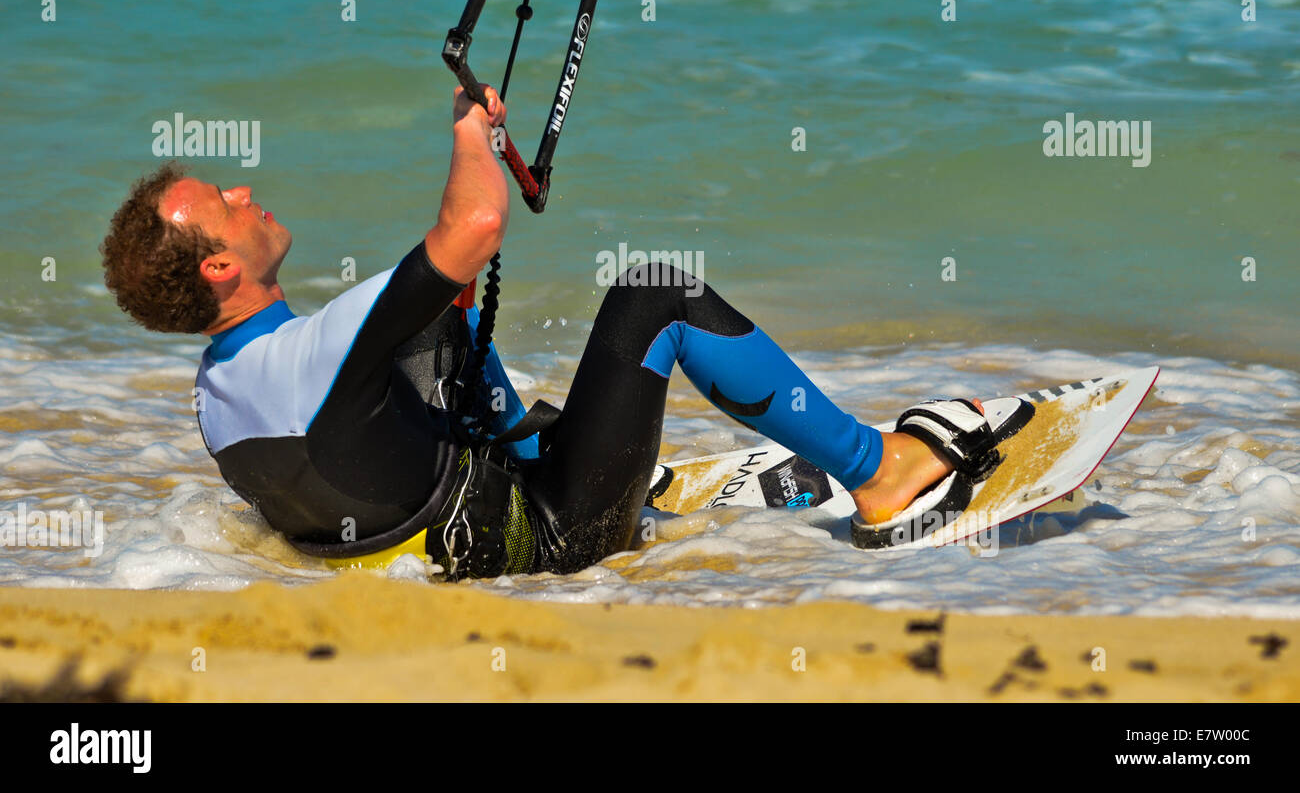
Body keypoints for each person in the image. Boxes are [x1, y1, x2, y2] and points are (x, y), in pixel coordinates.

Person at [100, 85, 1025, 577]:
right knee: (654, 294)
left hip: (434, 547)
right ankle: (881, 471)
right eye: (223, 203)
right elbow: (472, 233)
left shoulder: (217, 400)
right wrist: (471, 138)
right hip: (549, 541)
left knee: (423, 325)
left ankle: (544, 441)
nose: (245, 194)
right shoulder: (320, 349)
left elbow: (371, 415)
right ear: (220, 268)